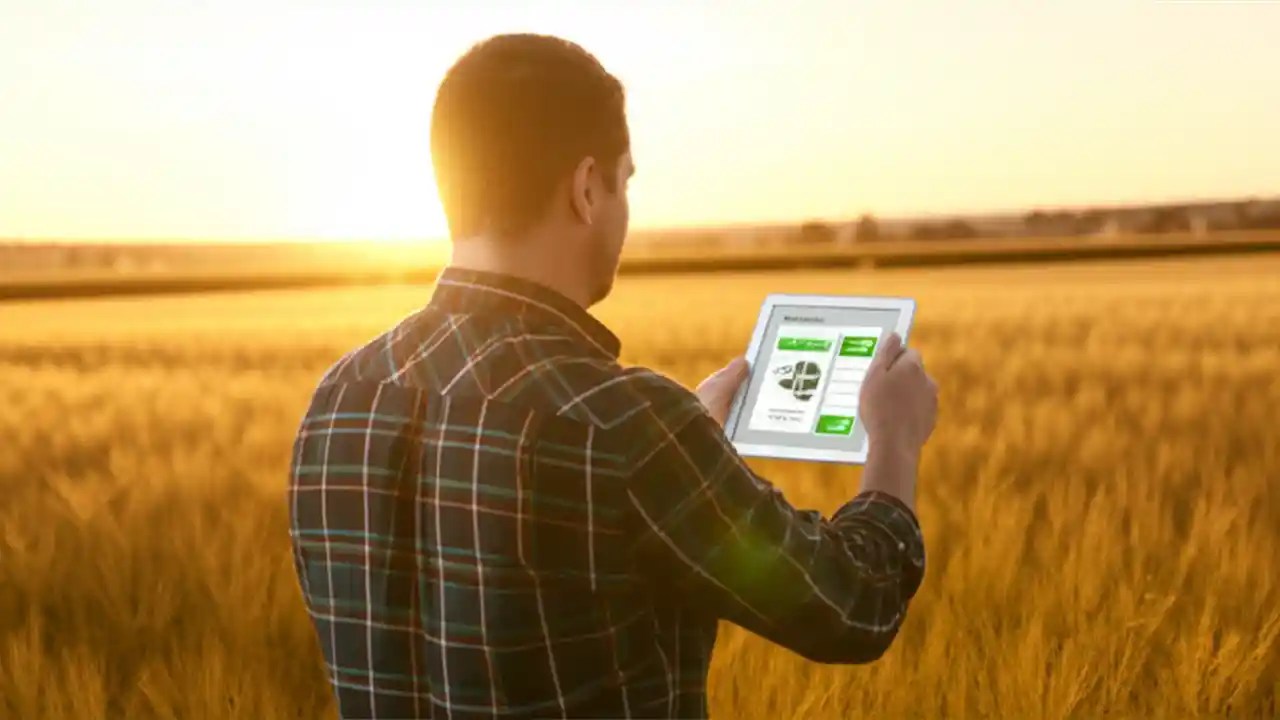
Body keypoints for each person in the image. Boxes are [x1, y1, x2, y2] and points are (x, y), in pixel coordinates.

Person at [287, 33, 938, 720]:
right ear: (588, 188)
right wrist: (893, 440)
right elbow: (853, 606)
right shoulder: (624, 427)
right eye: (625, 182)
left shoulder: (339, 399)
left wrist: (687, 443)